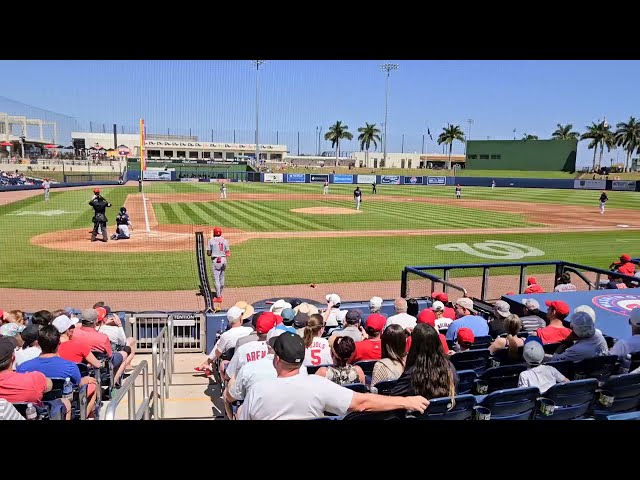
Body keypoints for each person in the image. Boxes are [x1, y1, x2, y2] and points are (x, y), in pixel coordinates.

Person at [238, 332, 429, 420]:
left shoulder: (258, 390)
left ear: (277, 359)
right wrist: (405, 401)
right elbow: (362, 403)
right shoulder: (317, 384)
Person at [207, 226, 230, 302]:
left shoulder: (211, 241)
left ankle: (219, 297)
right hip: (224, 260)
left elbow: (208, 253)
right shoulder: (225, 241)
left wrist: (214, 252)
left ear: (214, 233)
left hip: (216, 260)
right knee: (222, 277)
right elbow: (227, 253)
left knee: (216, 279)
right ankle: (220, 293)